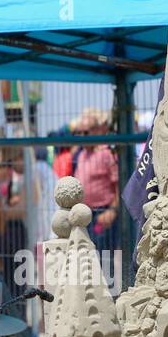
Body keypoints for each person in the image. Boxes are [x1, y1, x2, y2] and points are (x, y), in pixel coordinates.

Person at [64, 107, 120, 251]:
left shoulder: (107, 153)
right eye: (79, 133)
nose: (82, 136)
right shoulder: (80, 154)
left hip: (102, 215)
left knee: (103, 260)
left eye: (86, 132)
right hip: (82, 216)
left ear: (97, 131)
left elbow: (119, 185)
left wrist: (112, 211)